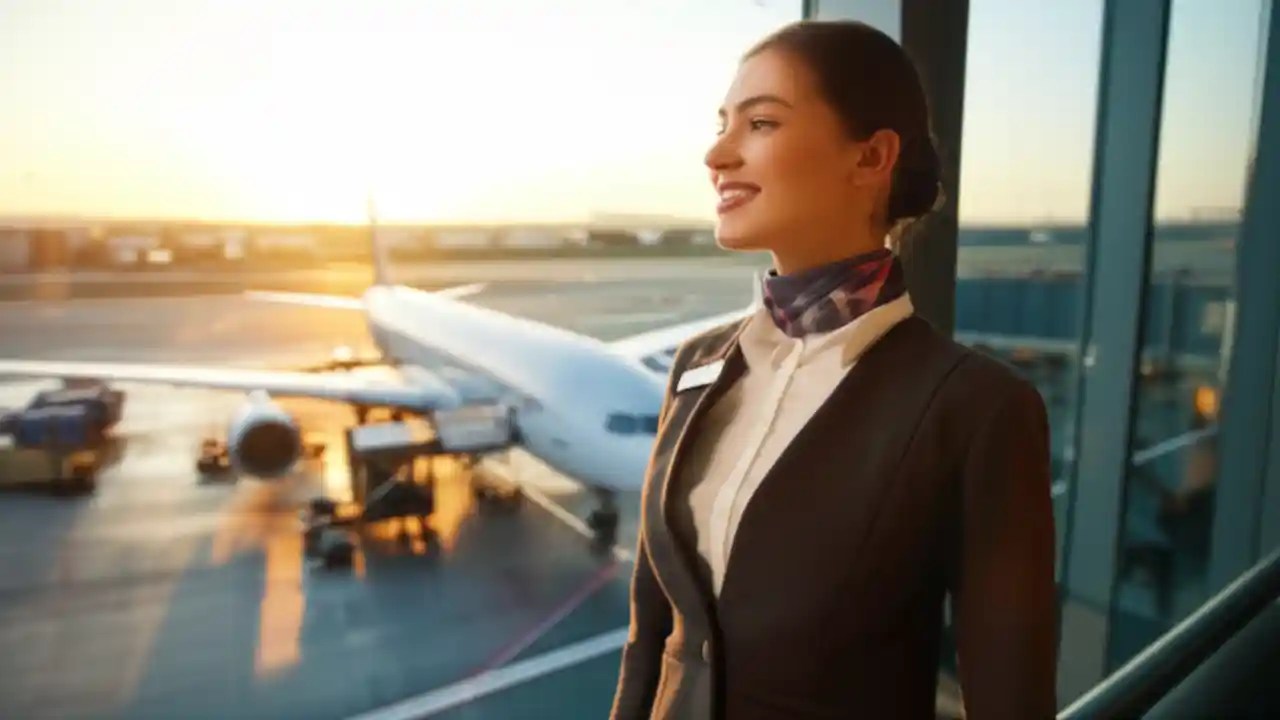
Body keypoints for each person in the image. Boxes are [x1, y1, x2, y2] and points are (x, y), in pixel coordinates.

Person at [610, 20, 1057, 720]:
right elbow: (651, 638)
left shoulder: (977, 408)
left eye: (760, 123)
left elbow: (1011, 702)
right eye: (723, 125)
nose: (717, 154)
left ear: (871, 157)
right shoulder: (699, 365)